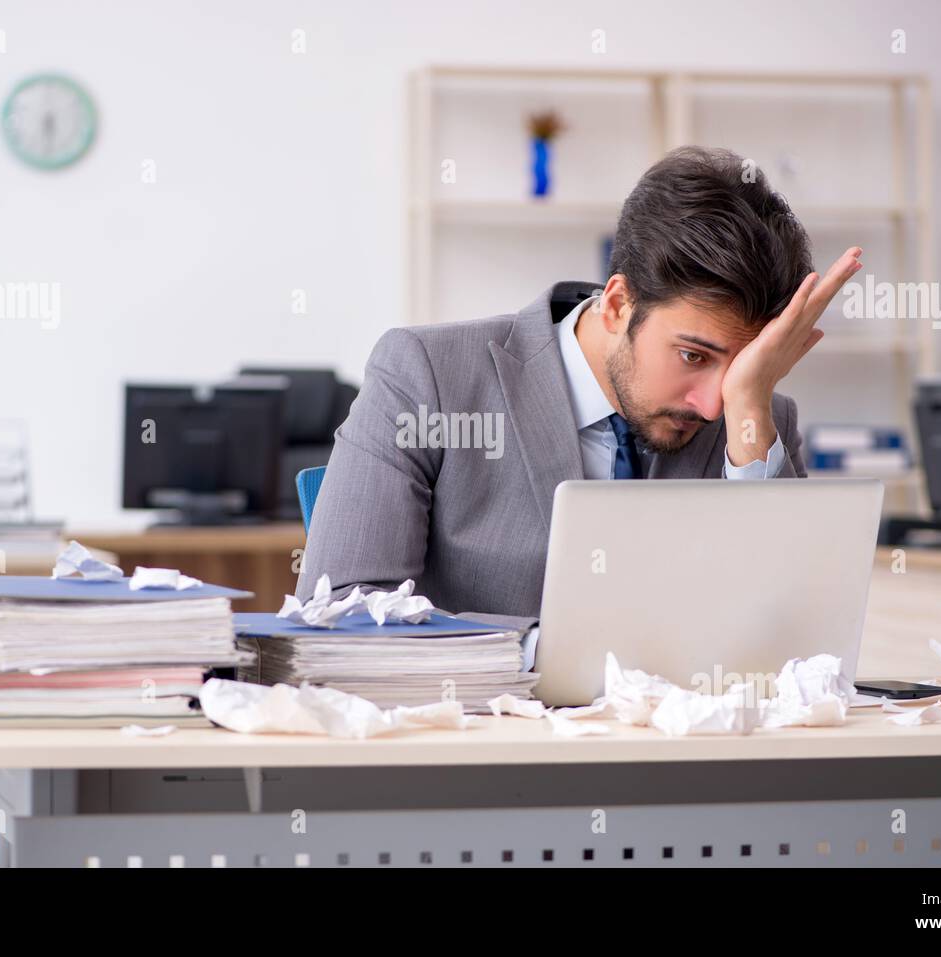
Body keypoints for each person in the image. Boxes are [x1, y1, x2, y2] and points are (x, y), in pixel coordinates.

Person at [298, 146, 863, 665]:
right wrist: (552, 655)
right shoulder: (429, 375)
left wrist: (751, 409)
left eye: (744, 366)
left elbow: (799, 648)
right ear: (617, 304)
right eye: (694, 356)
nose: (713, 405)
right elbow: (342, 612)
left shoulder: (755, 418)